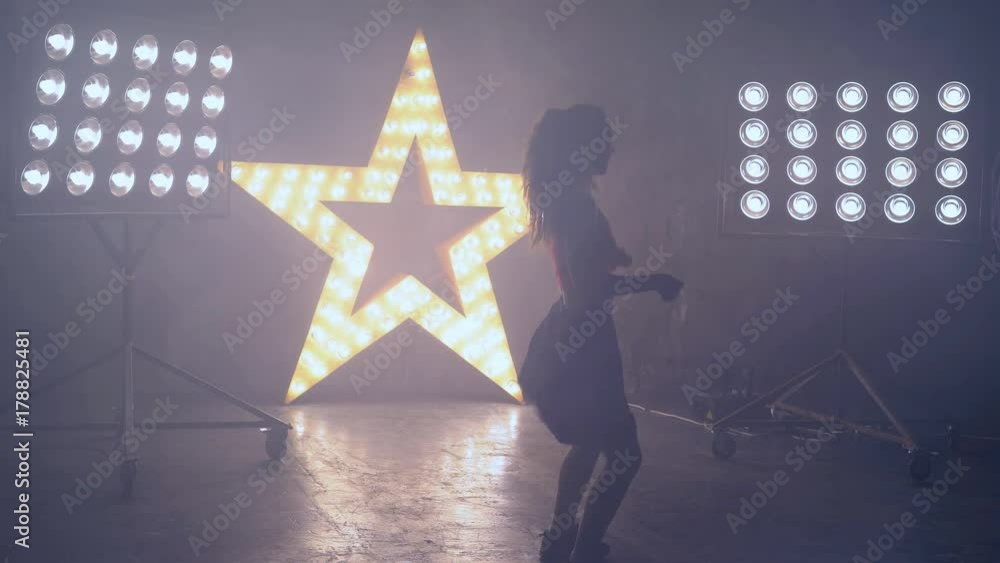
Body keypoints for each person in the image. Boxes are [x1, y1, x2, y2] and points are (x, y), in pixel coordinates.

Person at [519, 105, 683, 563]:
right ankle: (583, 547)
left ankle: (562, 541)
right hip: (586, 345)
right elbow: (590, 287)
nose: (611, 147)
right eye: (604, 139)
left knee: (591, 443)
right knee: (624, 454)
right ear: (583, 147)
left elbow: (583, 274)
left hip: (573, 335)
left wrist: (612, 259)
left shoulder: (565, 202)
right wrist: (652, 281)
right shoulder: (577, 207)